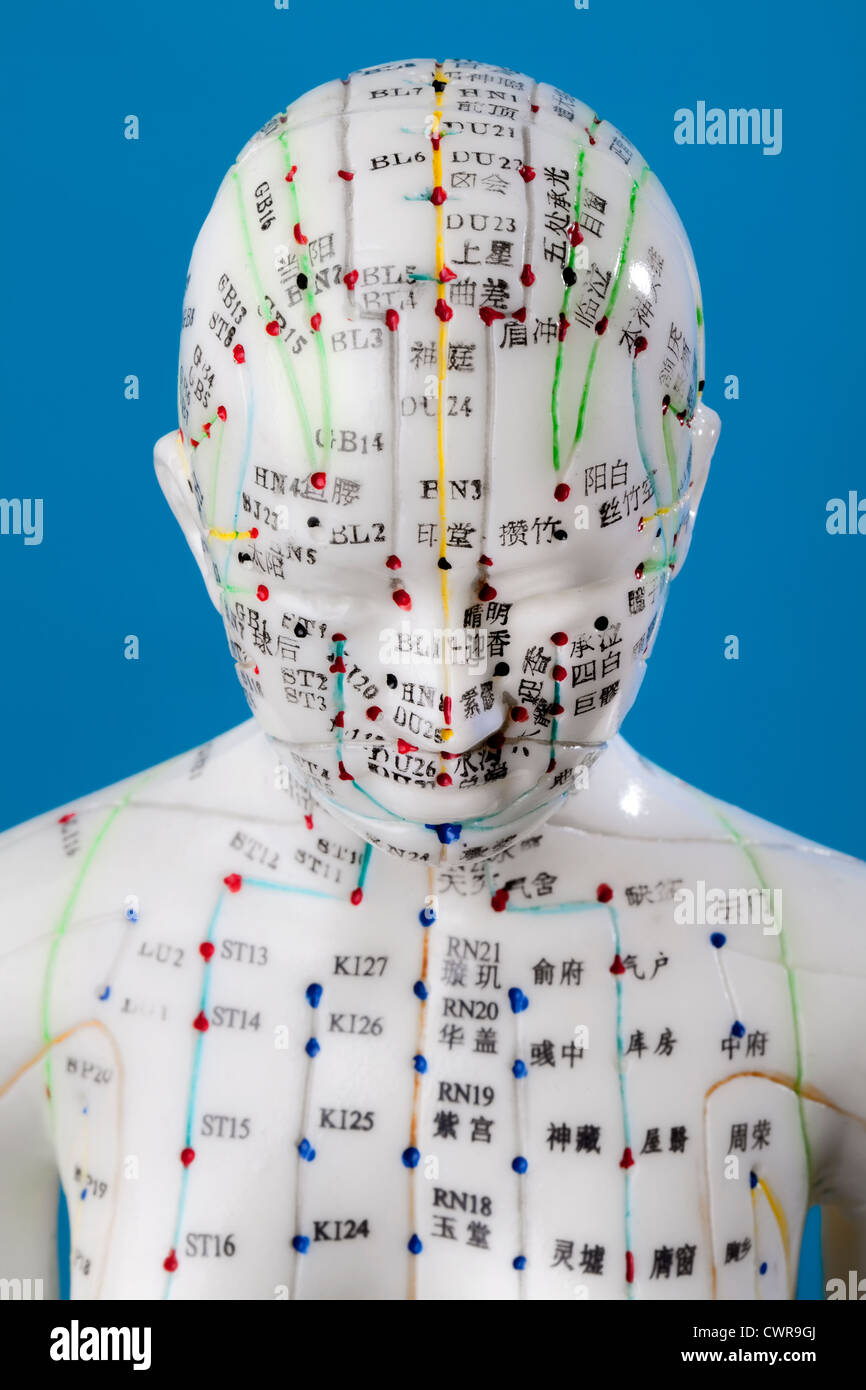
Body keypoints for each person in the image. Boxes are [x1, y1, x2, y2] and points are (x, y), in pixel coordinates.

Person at [2, 57, 864, 1301]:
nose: (449, 697)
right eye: (336, 589)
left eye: (553, 575)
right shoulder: (22, 951)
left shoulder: (834, 981)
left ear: (684, 504)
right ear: (197, 519)